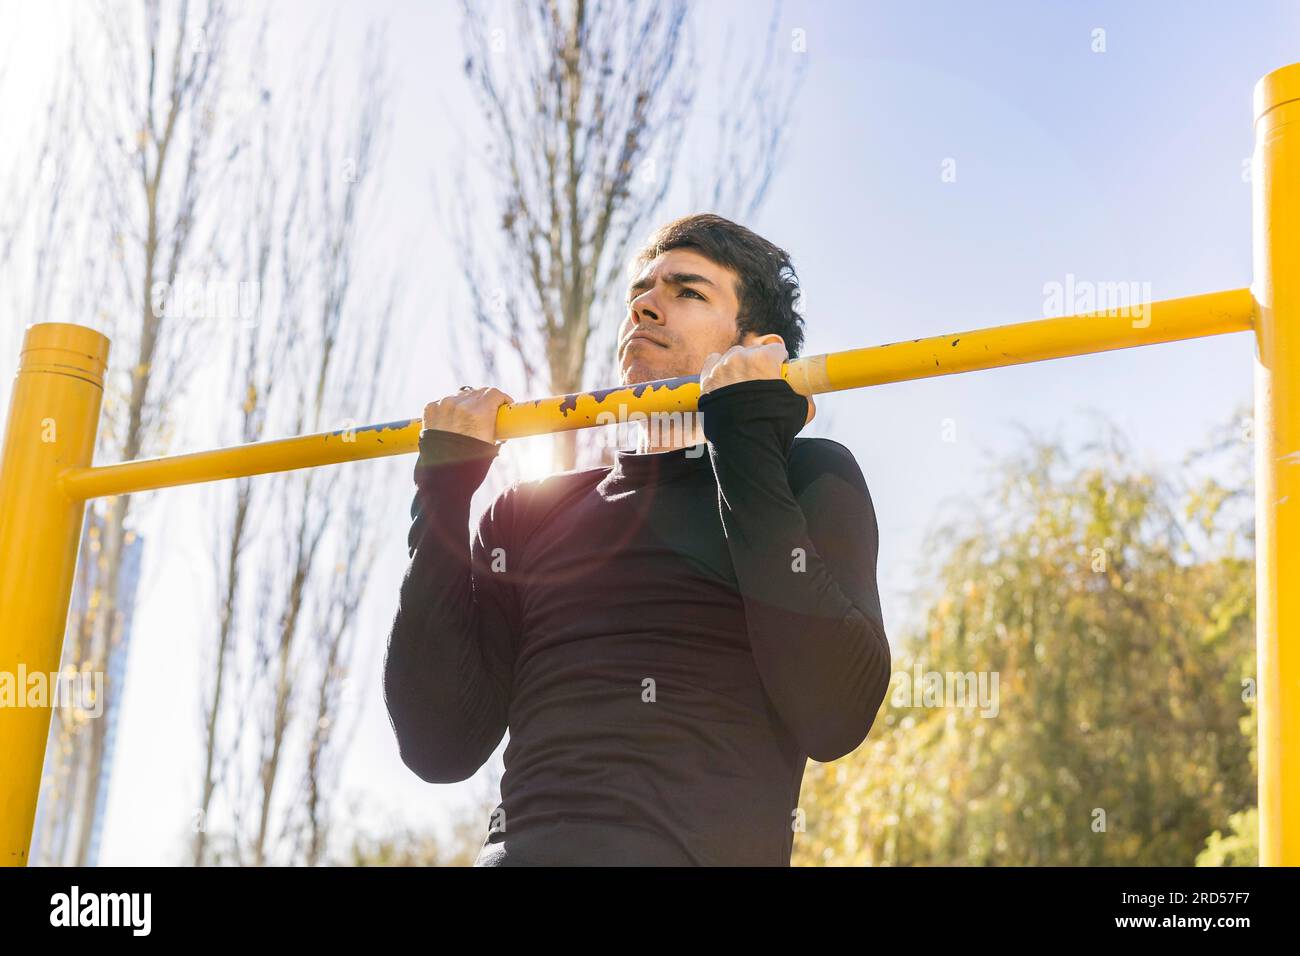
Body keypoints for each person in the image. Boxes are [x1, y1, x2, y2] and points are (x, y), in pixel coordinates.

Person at [383, 213, 891, 866]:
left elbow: (834, 713)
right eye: (641, 292)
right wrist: (444, 494)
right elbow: (437, 744)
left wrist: (745, 432)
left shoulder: (805, 476)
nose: (646, 306)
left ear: (758, 347)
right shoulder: (529, 513)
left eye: (688, 292)